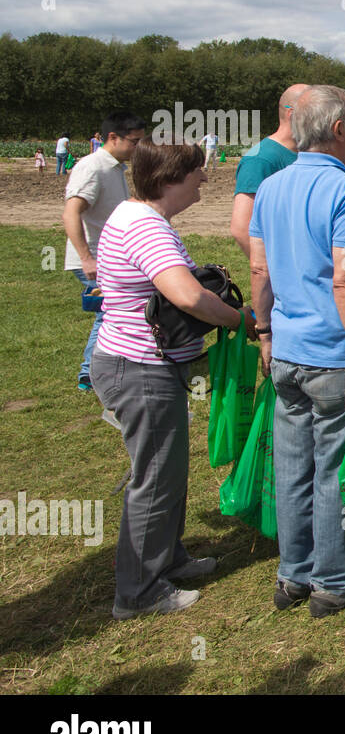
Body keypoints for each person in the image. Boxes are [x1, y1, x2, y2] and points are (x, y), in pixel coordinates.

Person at [92, 139, 254, 620]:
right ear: (168, 181)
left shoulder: (133, 215)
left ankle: (167, 557)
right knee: (156, 478)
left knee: (168, 469)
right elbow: (186, 296)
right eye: (196, 175)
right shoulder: (145, 225)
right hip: (140, 370)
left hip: (142, 365)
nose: (204, 181)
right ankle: (138, 592)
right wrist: (237, 319)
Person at [248, 84, 345, 618]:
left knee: (292, 466)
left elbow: (260, 270)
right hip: (330, 356)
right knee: (332, 469)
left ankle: (293, 573)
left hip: (285, 350)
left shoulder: (272, 188)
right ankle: (332, 581)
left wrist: (264, 332)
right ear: (336, 128)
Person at [63, 112, 144, 391]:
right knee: (108, 314)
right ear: (113, 138)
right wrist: (87, 258)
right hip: (95, 258)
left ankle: (93, 372)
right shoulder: (92, 167)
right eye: (134, 142)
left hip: (108, 257)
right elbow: (71, 212)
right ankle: (90, 374)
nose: (137, 148)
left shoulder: (114, 168)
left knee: (109, 312)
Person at [230, 83, 308, 257]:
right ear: (292, 114)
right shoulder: (260, 159)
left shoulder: (307, 154)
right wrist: (273, 269)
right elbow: (241, 228)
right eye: (315, 112)